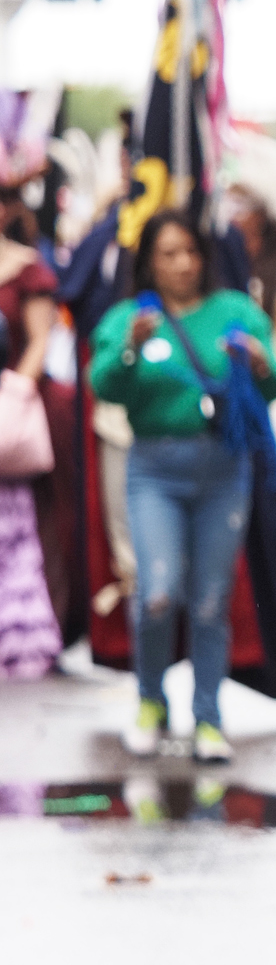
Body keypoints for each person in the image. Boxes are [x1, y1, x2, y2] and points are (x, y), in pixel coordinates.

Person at [89, 211, 276, 760]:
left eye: (190, 252)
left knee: (209, 601)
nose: (181, 264)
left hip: (223, 470)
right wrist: (129, 348)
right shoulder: (130, 316)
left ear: (205, 257)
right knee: (157, 593)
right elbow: (103, 385)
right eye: (168, 253)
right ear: (149, 261)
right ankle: (151, 700)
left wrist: (261, 362)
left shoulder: (235, 311)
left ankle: (208, 717)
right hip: (153, 470)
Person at [0, 227, 61, 679]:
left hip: (9, 406)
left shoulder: (27, 271)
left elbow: (40, 340)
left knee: (14, 537)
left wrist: (14, 396)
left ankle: (20, 642)